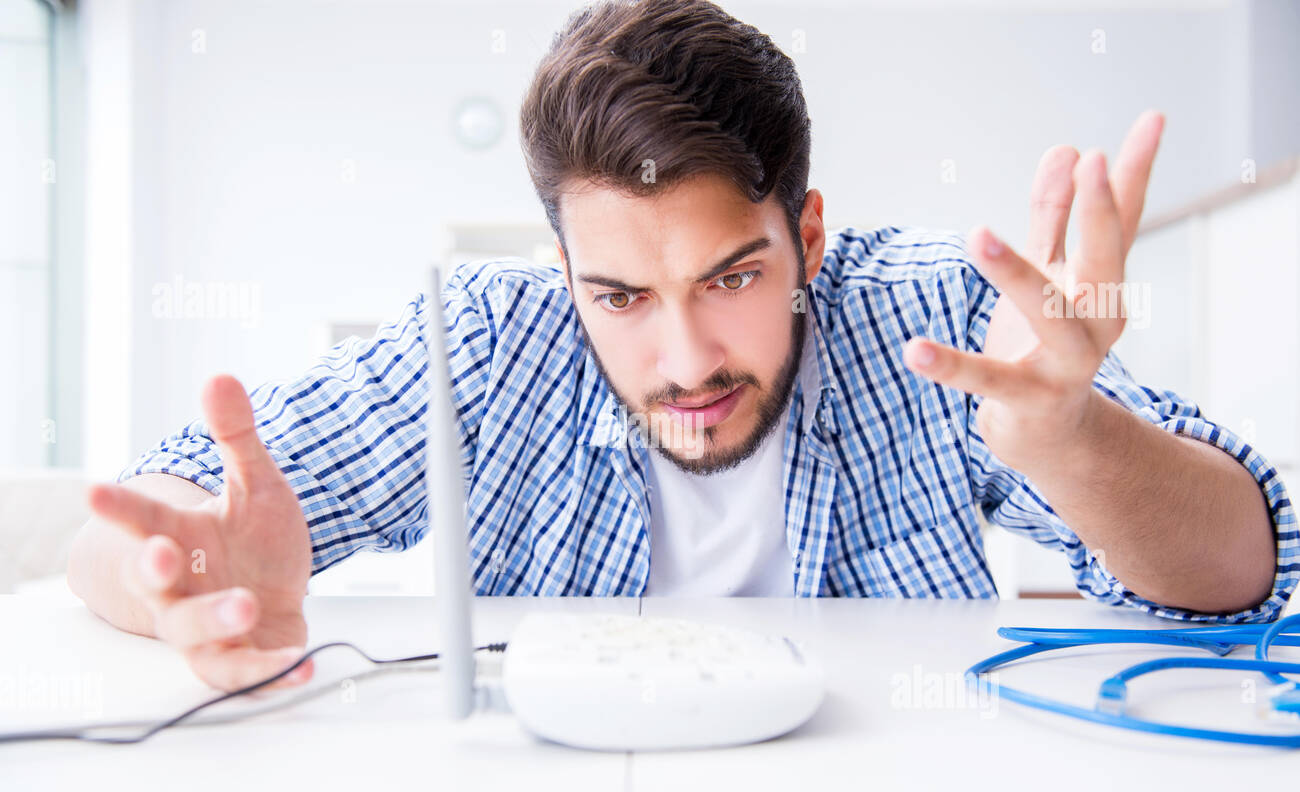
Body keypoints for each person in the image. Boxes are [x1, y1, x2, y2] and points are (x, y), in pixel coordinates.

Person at [67, 0, 1296, 693]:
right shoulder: (490, 341)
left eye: (735, 276)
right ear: (563, 275)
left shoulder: (939, 322)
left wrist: (1072, 439)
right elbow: (120, 538)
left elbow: (1246, 575)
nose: (685, 358)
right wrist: (194, 581)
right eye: (620, 296)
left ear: (806, 234)